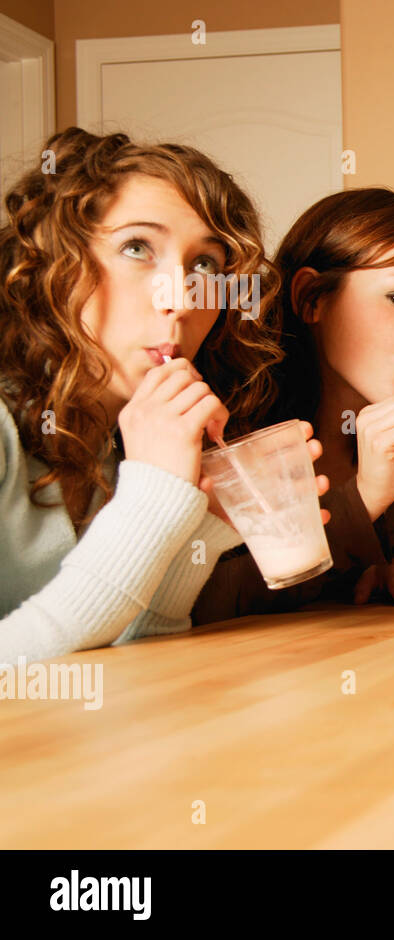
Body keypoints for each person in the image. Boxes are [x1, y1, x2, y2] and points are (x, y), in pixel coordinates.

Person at [0, 127, 298, 662]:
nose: (181, 298)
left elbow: (130, 651)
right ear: (54, 265)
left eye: (206, 265)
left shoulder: (115, 444)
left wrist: (196, 530)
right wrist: (152, 502)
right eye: (137, 248)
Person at [193, 188, 394, 622]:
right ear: (312, 298)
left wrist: (393, 575)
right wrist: (363, 500)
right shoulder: (225, 435)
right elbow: (197, 606)